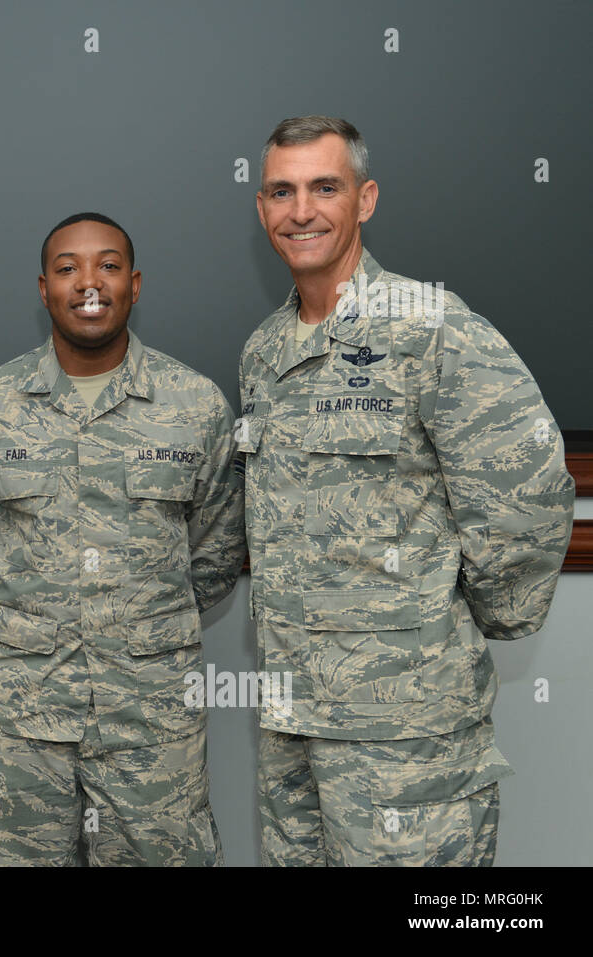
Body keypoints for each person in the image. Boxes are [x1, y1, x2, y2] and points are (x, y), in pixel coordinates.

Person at [242, 116, 575, 866]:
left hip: (407, 735)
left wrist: (460, 618)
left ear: (366, 200)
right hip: (292, 719)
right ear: (261, 208)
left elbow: (527, 490)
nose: (301, 210)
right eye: (282, 191)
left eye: (325, 187)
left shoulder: (431, 327)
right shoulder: (264, 351)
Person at [0, 212, 245, 866]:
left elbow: (214, 554)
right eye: (68, 267)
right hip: (16, 719)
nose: (89, 282)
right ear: (43, 287)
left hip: (151, 720)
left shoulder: (196, 406)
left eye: (107, 265)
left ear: (135, 284)